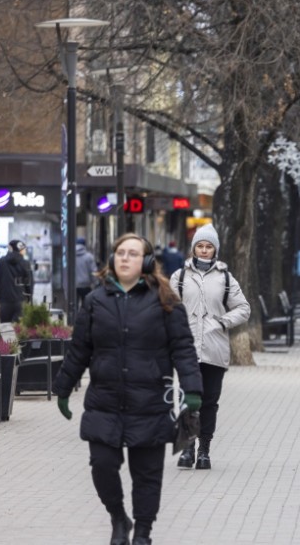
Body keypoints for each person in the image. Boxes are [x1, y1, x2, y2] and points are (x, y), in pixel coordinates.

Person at [54, 233, 203, 545]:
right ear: (112, 259)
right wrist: (64, 387)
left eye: (133, 253)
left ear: (147, 262)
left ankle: (144, 533)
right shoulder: (95, 301)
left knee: (147, 475)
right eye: (120, 253)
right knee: (102, 466)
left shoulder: (166, 300)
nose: (124, 258)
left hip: (148, 401)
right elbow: (79, 349)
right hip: (105, 402)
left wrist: (192, 390)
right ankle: (118, 517)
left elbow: (183, 349)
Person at [169, 223, 251, 470]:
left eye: (208, 247)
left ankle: (204, 449)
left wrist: (224, 322)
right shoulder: (180, 277)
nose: (204, 251)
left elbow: (244, 308)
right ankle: (187, 449)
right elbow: (167, 306)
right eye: (200, 246)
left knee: (209, 402)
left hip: (215, 348)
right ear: (194, 248)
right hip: (187, 349)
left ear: (215, 250)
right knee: (187, 399)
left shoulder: (225, 278)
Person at [0, 239, 33, 323]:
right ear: (20, 250)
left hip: (5, 301)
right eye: (23, 249)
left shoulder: (1, 262)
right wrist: (29, 298)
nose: (24, 251)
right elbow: (28, 283)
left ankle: (7, 336)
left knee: (5, 328)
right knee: (18, 328)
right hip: (20, 301)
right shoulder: (25, 263)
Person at [75, 238, 99, 306]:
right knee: (86, 305)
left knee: (73, 306)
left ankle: (74, 316)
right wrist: (96, 283)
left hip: (73, 285)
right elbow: (93, 271)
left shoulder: (71, 256)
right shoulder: (89, 257)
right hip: (85, 286)